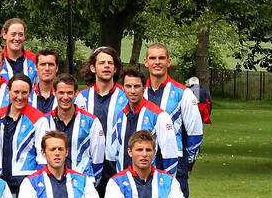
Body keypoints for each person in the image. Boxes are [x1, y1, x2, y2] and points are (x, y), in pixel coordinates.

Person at [143, 44, 204, 198]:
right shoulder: (138, 92)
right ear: (146, 62)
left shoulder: (183, 93)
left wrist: (187, 162)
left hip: (174, 159)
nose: (157, 62)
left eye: (161, 58)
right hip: (143, 159)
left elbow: (195, 133)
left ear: (168, 62)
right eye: (153, 58)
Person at [33, 74, 106, 182]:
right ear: (54, 92)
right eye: (61, 93)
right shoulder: (44, 121)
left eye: (69, 93)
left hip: (83, 182)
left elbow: (98, 158)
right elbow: (41, 156)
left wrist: (91, 181)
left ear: (76, 93)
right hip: (52, 182)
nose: (65, 97)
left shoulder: (91, 122)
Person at [111, 67, 180, 175]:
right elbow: (119, 152)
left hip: (149, 182)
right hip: (125, 181)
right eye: (128, 86)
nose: (132, 91)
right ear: (123, 88)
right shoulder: (121, 116)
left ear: (144, 88)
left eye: (137, 86)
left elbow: (170, 156)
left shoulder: (159, 116)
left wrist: (165, 184)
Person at [77, 46, 126, 189]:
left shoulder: (125, 97)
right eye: (102, 63)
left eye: (110, 63)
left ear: (115, 68)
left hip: (115, 165)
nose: (106, 66)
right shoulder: (82, 98)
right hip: (88, 164)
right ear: (93, 68)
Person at [0, 74, 41, 193]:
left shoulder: (38, 119)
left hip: (26, 182)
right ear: (8, 90)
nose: (19, 97)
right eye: (16, 92)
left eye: (24, 93)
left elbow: (42, 157)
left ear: (30, 93)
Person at [31, 48, 60, 113]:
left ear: (57, 68)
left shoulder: (67, 96)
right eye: (43, 64)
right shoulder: (28, 95)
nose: (47, 68)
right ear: (36, 67)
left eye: (51, 64)